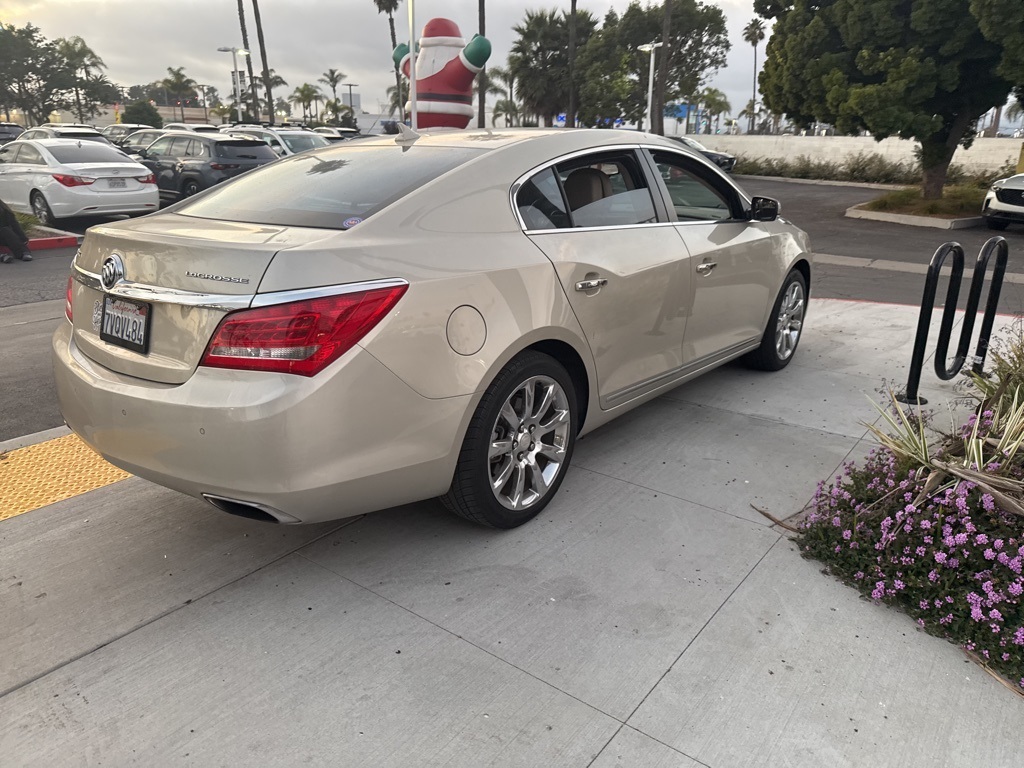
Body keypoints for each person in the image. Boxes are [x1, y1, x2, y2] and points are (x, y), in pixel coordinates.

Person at [0, 198, 32, 263]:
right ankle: (2, 256)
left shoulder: (3, 209)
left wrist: (23, 238)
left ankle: (22, 253)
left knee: (5, 230)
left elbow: (13, 223)